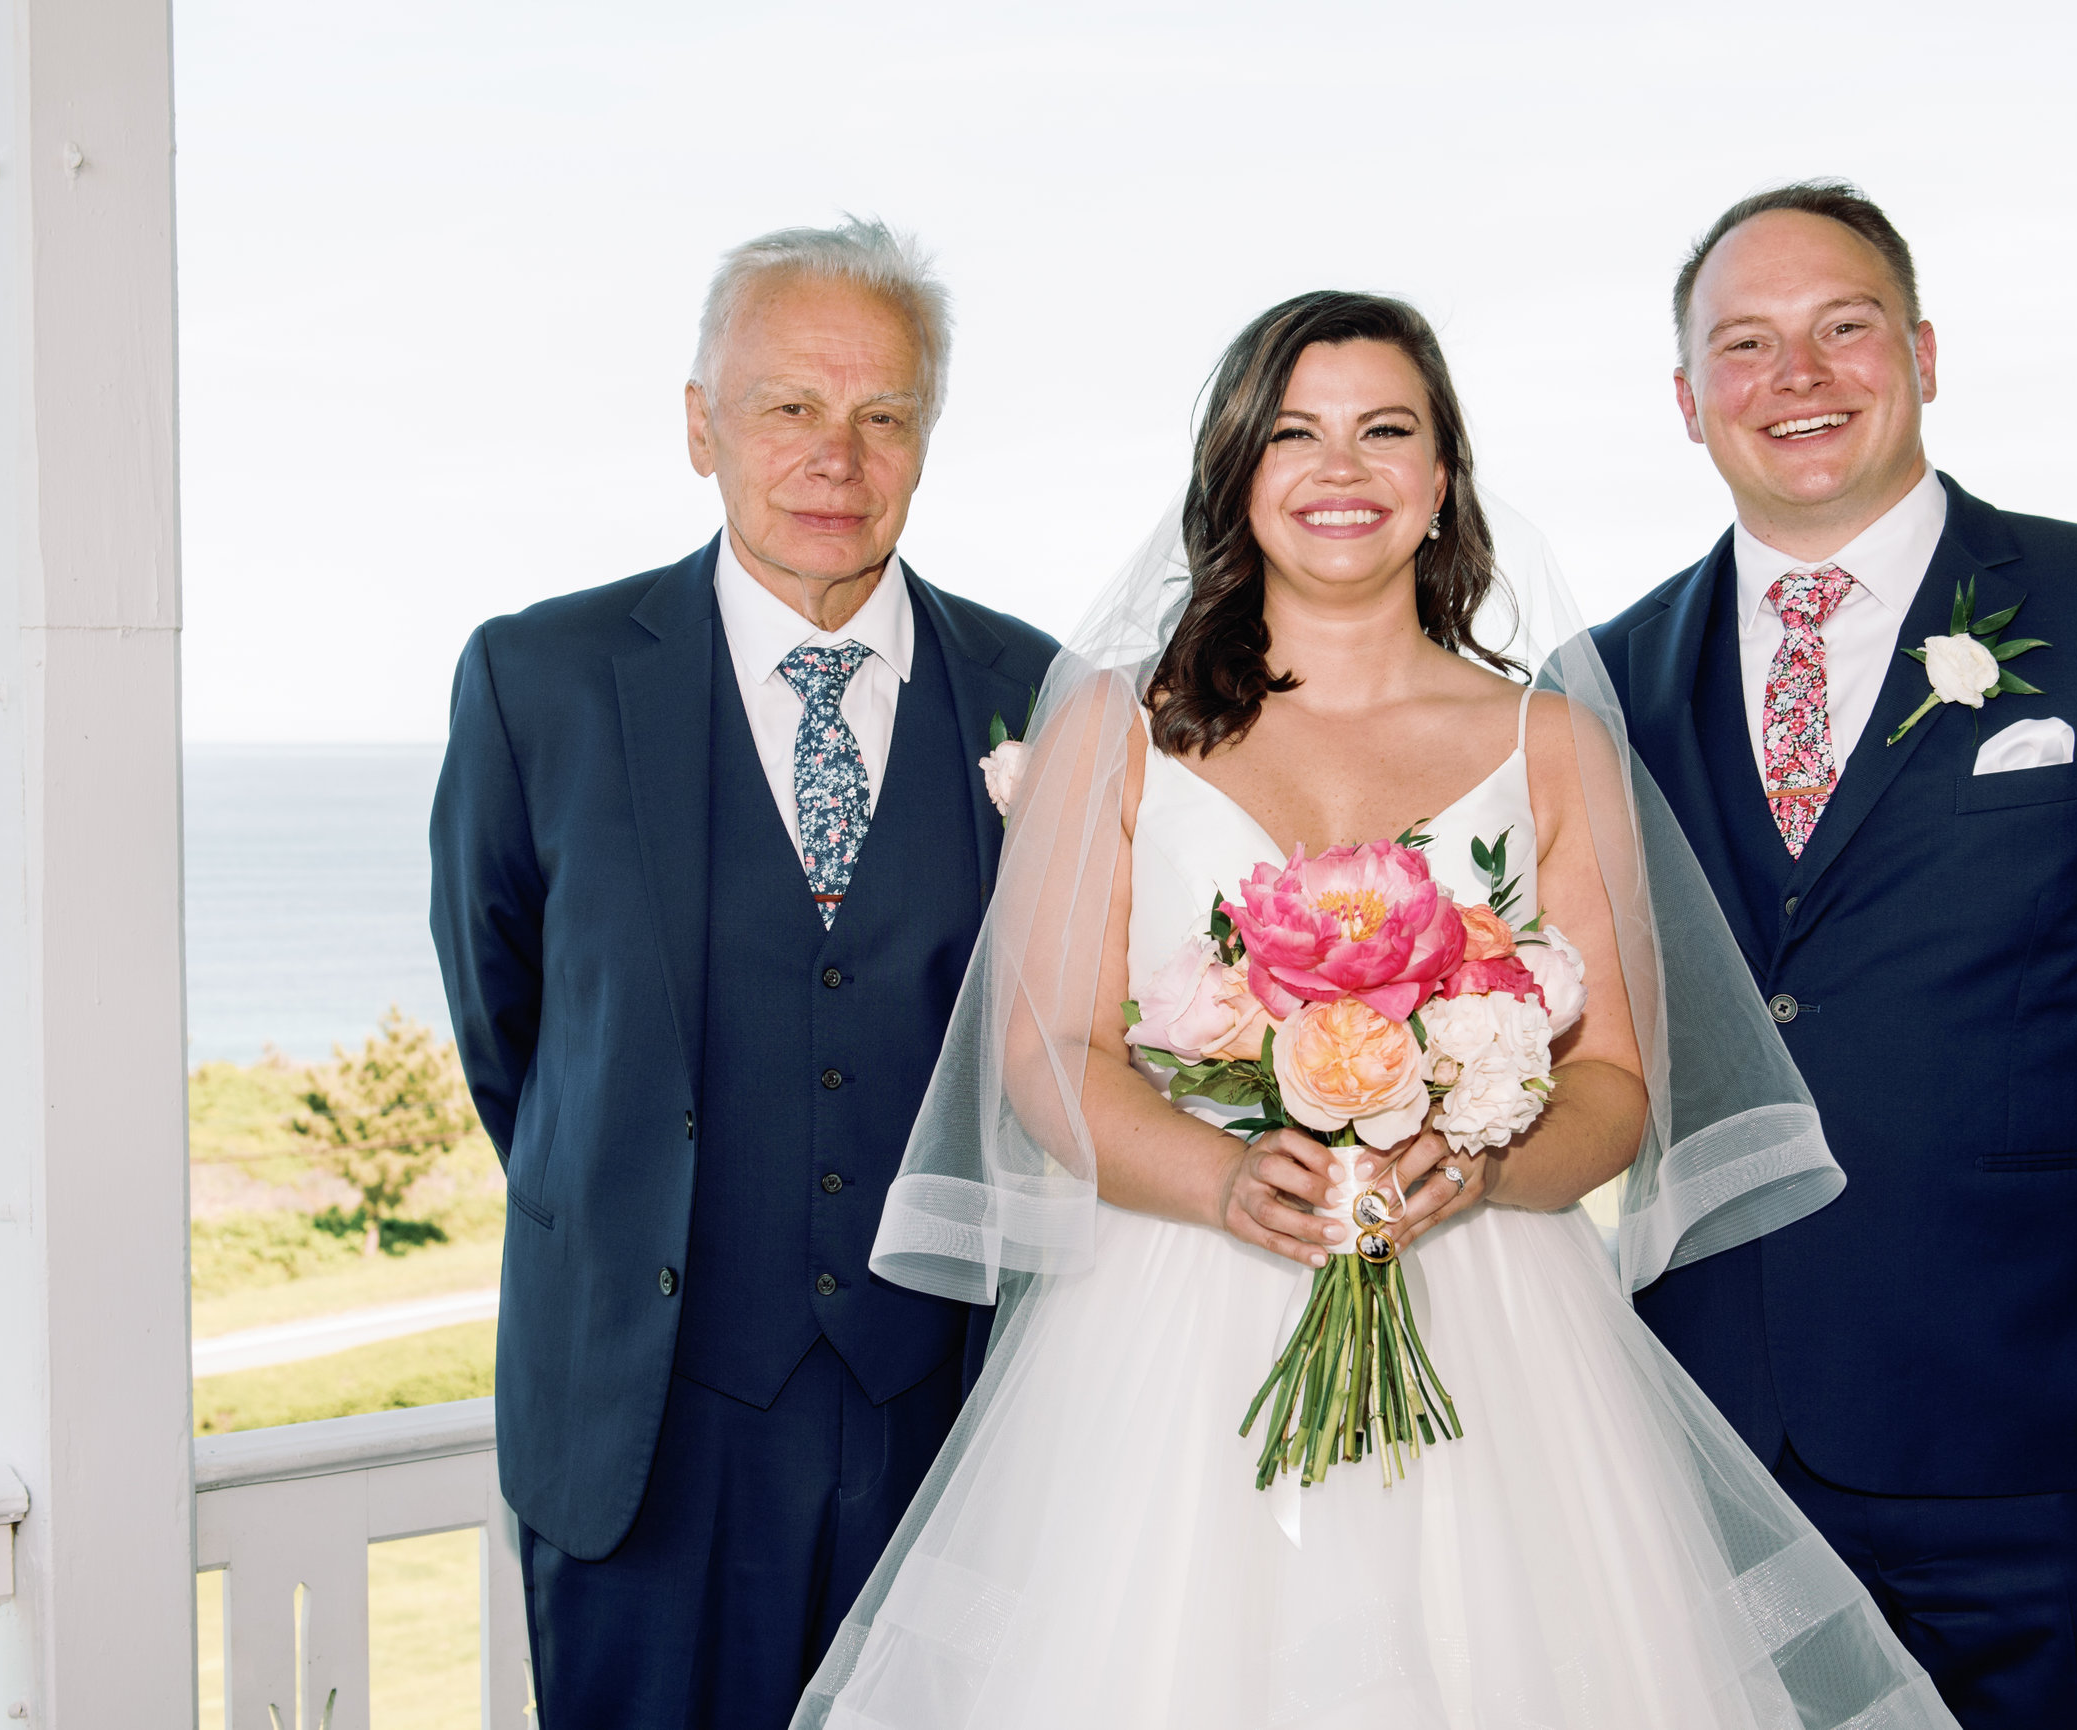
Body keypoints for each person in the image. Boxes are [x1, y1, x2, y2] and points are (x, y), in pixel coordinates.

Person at [789, 292, 1958, 1730]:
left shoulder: (1551, 741)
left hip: (1490, 1322)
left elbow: (1613, 1082)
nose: (1342, 469)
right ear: (1236, 472)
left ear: (1444, 474)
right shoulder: (1113, 725)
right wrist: (1225, 1179)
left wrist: (1487, 1166)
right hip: (1169, 1328)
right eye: (1296, 433)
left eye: (1386, 430)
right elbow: (1049, 1048)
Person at [1590, 181, 2077, 1728]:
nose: (1797, 376)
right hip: (1711, 1444)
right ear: (1687, 397)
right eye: (1745, 343)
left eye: (1842, 326)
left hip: (2052, 1443)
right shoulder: (1602, 682)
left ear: (1922, 353)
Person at [428, 218, 1058, 1729]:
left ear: (925, 440)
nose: (836, 455)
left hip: (951, 1423)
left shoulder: (1041, 691)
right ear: (700, 424)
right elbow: (509, 1027)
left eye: (882, 412)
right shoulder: (539, 680)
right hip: (646, 1431)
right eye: (789, 406)